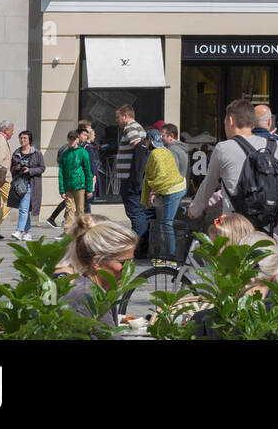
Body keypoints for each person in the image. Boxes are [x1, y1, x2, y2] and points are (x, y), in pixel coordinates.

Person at [187, 100, 278, 232]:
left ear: (230, 120)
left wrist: (194, 210)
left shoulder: (222, 148)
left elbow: (209, 185)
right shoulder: (273, 145)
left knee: (214, 230)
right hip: (267, 225)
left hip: (234, 227)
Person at [59, 215, 138, 328]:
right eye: (124, 262)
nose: (129, 268)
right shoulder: (89, 297)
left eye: (132, 261)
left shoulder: (98, 292)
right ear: (97, 263)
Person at [140, 128, 185, 259]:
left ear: (150, 141)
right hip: (175, 186)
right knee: (165, 222)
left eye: (146, 140)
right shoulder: (165, 150)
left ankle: (170, 256)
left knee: (166, 223)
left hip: (172, 189)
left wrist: (153, 192)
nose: (145, 143)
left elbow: (161, 175)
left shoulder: (155, 154)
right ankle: (168, 253)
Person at [114, 105, 148, 243]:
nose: (117, 120)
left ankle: (138, 244)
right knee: (138, 212)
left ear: (125, 116)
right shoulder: (138, 127)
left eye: (118, 117)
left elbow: (138, 146)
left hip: (130, 178)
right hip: (134, 177)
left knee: (135, 212)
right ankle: (141, 243)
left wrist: (136, 175)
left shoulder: (130, 127)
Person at [10, 131, 45, 242]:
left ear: (29, 139)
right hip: (20, 184)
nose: (22, 140)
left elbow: (42, 168)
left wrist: (30, 170)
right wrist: (16, 168)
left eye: (25, 138)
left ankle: (19, 231)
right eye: (21, 138)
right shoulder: (16, 153)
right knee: (24, 208)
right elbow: (11, 168)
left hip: (31, 184)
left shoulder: (37, 153)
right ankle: (28, 232)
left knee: (23, 208)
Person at [57, 129, 94, 227]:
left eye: (74, 139)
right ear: (67, 140)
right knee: (69, 208)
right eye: (70, 139)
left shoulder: (83, 153)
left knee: (80, 209)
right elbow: (61, 172)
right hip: (68, 186)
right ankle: (67, 230)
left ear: (78, 140)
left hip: (80, 185)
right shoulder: (64, 155)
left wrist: (89, 189)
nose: (72, 141)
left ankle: (80, 230)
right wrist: (62, 189)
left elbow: (88, 171)